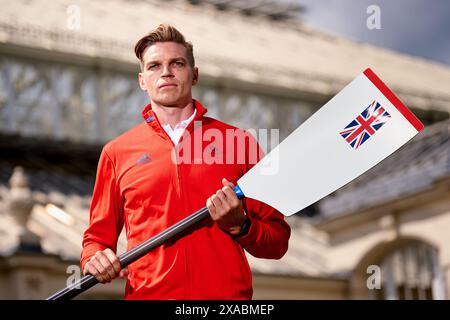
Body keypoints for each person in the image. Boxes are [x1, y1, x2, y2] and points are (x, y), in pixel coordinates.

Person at [81, 24, 291, 299]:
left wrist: (241, 225)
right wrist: (95, 258)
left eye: (177, 63)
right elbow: (96, 240)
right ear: (142, 80)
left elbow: (277, 242)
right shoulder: (116, 153)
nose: (166, 72)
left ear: (195, 75)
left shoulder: (238, 142)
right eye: (155, 66)